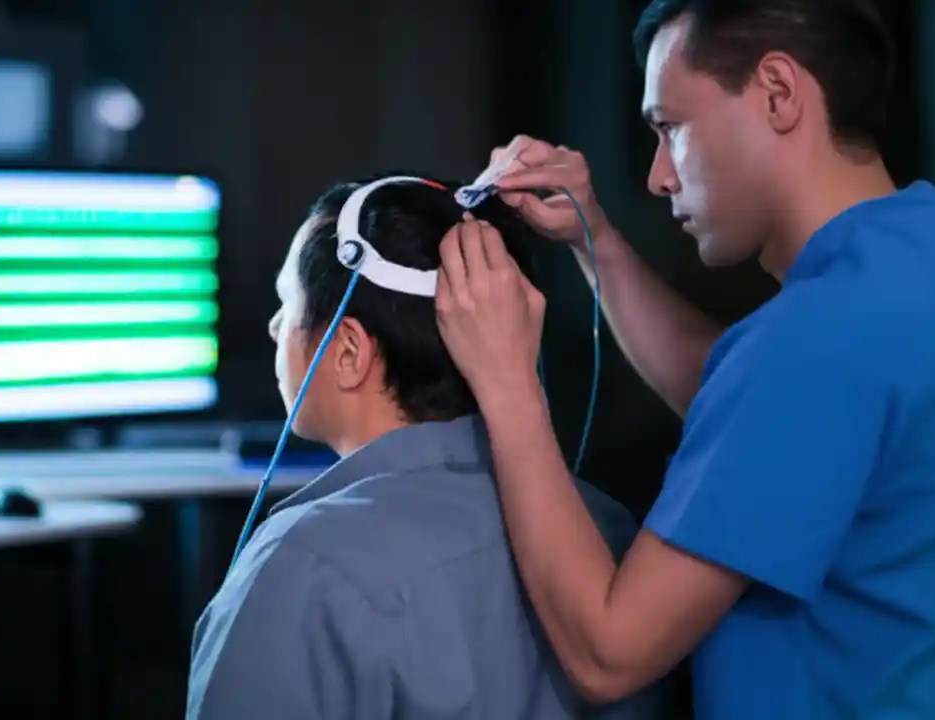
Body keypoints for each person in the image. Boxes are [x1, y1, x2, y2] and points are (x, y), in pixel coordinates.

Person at [434, 0, 935, 718]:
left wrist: (506, 380)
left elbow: (608, 654)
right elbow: (764, 421)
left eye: (670, 128)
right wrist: (594, 240)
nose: (658, 177)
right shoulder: (918, 253)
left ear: (778, 92)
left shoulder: (808, 341)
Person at [186, 177, 665, 718]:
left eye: (287, 303)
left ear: (349, 353)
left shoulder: (304, 568)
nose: (276, 328)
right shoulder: (607, 535)